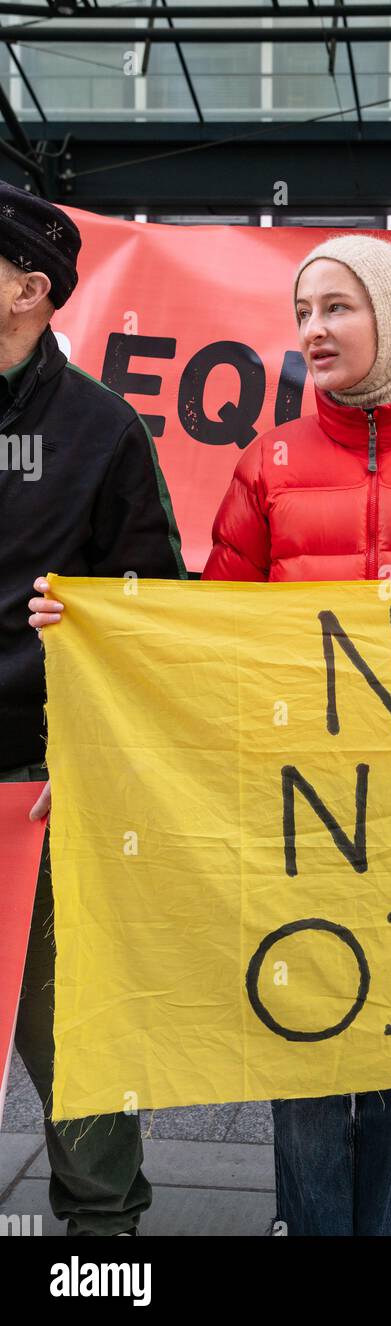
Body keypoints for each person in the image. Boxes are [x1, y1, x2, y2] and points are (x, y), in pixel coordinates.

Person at [36, 231, 391, 1236]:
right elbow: (214, 633)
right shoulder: (265, 464)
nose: (313, 330)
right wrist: (97, 624)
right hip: (303, 811)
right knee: (305, 1048)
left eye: (338, 308)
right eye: (303, 312)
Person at [1, 180, 185, 1236]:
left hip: (40, 787)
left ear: (30, 290)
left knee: (73, 1039)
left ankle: (102, 1241)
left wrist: (92, 624)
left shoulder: (105, 431)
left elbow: (153, 604)